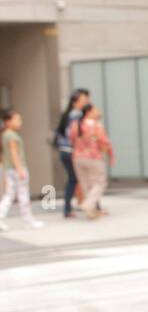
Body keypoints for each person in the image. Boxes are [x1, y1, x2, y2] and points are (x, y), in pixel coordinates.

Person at [0, 108, 43, 230]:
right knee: (22, 195)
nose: (20, 121)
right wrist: (20, 169)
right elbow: (14, 153)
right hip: (17, 169)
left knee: (9, 195)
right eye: (17, 119)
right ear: (8, 121)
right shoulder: (11, 135)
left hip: (9, 169)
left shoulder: (5, 134)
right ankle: (28, 220)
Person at [70, 102, 115, 219]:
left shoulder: (76, 124)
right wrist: (110, 154)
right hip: (93, 157)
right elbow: (104, 141)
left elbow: (71, 139)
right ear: (89, 112)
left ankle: (91, 212)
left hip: (77, 158)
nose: (97, 112)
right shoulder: (96, 125)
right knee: (100, 183)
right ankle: (88, 205)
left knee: (86, 184)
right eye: (95, 110)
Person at [53, 88, 89, 217]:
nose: (86, 102)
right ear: (75, 102)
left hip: (64, 150)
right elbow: (72, 134)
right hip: (72, 151)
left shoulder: (67, 114)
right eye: (83, 100)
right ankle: (86, 206)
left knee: (74, 179)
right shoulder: (76, 115)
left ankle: (72, 207)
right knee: (80, 179)